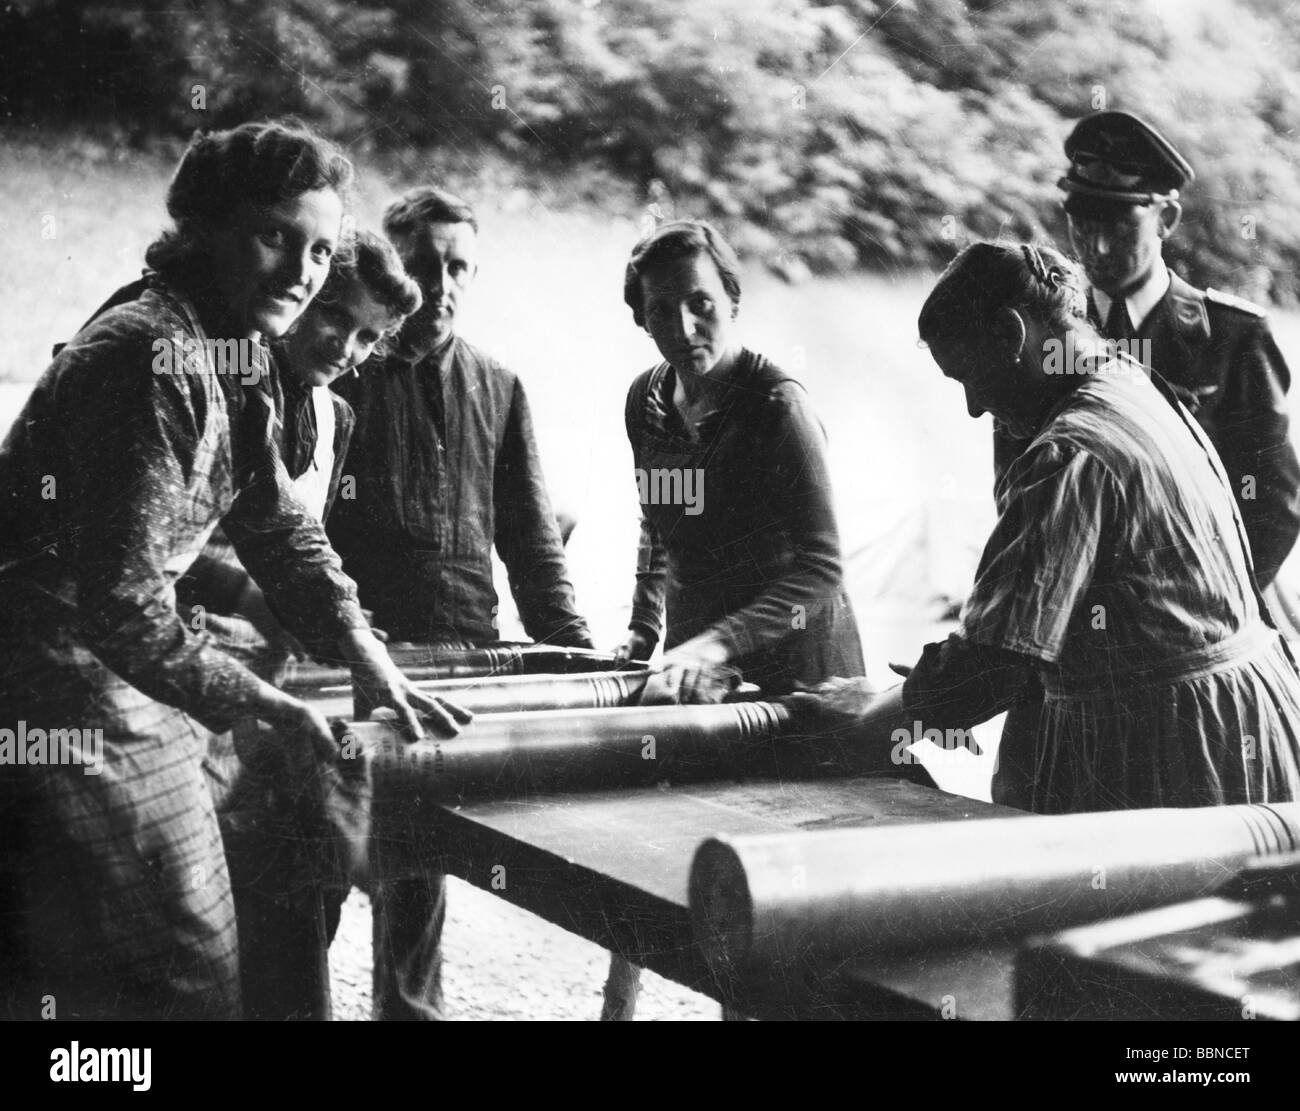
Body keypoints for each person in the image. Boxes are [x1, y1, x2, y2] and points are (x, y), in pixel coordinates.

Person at [0, 122, 464, 1021]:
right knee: (172, 966)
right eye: (273, 234)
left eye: (322, 248)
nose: (301, 269)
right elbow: (128, 610)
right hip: (43, 679)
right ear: (203, 225)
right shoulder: (150, 354)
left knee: (228, 907)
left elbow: (282, 529)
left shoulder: (234, 353)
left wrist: (363, 650)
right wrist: (272, 704)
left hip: (111, 677)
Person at [791, 242, 1300, 816]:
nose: (974, 407)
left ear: (1012, 334)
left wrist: (868, 712)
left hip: (1174, 752)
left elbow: (993, 667)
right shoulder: (1134, 386)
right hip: (1239, 727)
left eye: (967, 377)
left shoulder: (1070, 452)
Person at [326, 186, 593, 1019]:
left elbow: (532, 543)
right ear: (394, 267)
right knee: (323, 861)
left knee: (415, 867)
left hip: (465, 660)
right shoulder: (347, 376)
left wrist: (580, 649)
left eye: (458, 266)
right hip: (356, 662)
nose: (441, 283)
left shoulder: (500, 385)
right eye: (423, 264)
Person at [989, 110, 1300, 807]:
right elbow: (1014, 492)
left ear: (1167, 217)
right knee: (1036, 818)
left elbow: (1274, 507)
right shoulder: (1041, 338)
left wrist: (1190, 607)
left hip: (1204, 635)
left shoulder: (1231, 337)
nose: (1096, 244)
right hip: (1067, 638)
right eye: (1081, 221)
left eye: (1119, 223)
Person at [609, 219, 864, 1017]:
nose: (684, 328)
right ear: (639, 317)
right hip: (698, 659)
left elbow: (822, 566)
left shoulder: (776, 406)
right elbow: (660, 526)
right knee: (692, 850)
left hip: (797, 660)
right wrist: (644, 630)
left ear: (733, 300)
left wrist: (718, 639)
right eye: (661, 311)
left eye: (701, 304)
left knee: (783, 900)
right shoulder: (646, 403)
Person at [180, 230, 425, 1020]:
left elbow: (301, 544)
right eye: (335, 321)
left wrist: (332, 627)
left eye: (367, 339)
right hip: (184, 665)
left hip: (269, 674)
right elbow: (171, 550)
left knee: (296, 876)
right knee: (197, 899)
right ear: (300, 300)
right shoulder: (233, 379)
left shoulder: (334, 416)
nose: (346, 348)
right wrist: (258, 600)